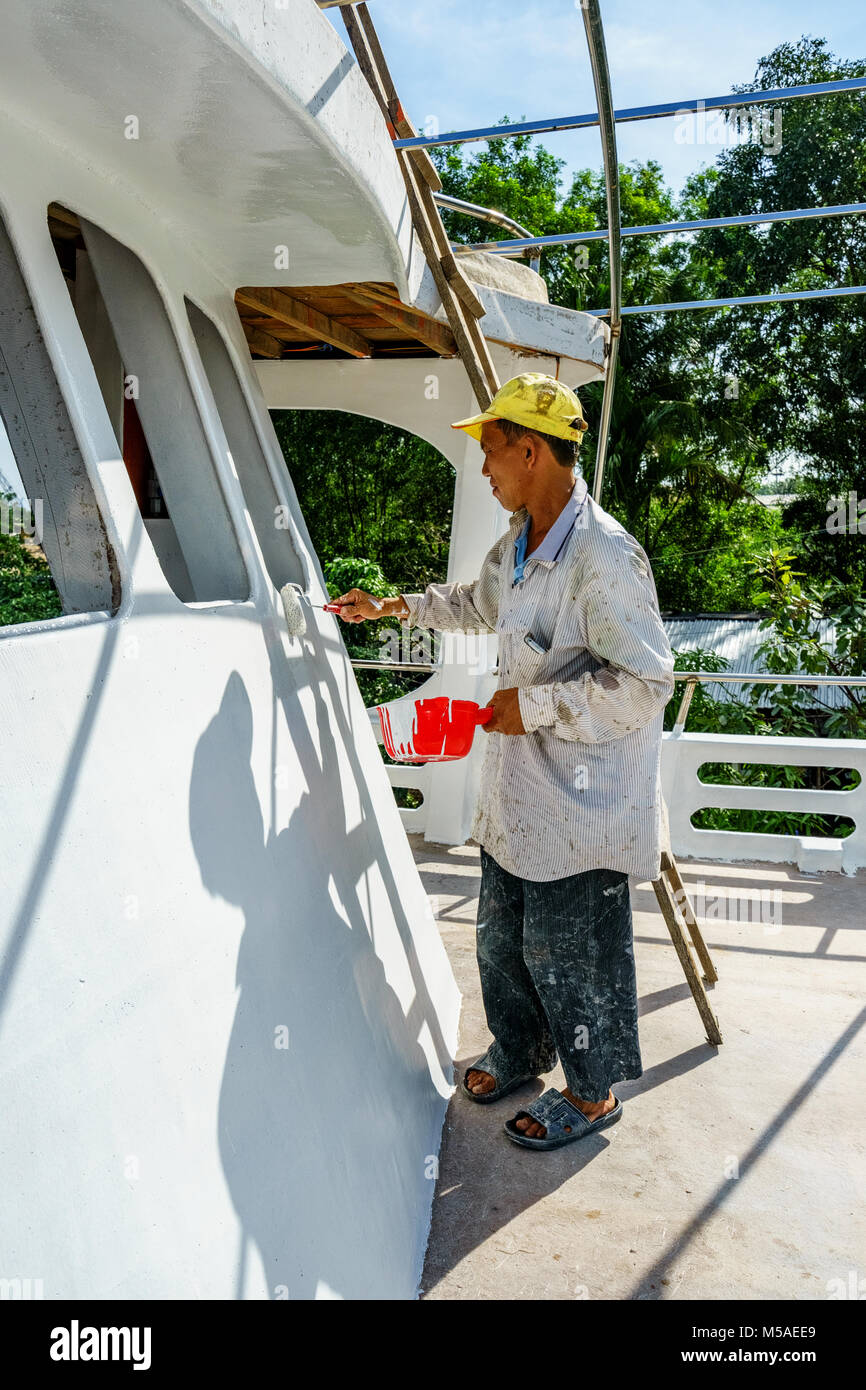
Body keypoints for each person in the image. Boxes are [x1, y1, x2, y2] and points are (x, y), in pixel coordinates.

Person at [334, 372, 674, 1150]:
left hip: (585, 800)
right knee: (503, 938)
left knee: (571, 950)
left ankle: (592, 1096)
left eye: (491, 452)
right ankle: (521, 1051)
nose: (485, 469)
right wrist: (394, 606)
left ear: (530, 451)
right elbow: (477, 602)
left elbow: (650, 682)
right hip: (522, 791)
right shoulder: (522, 538)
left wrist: (539, 707)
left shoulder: (605, 555)